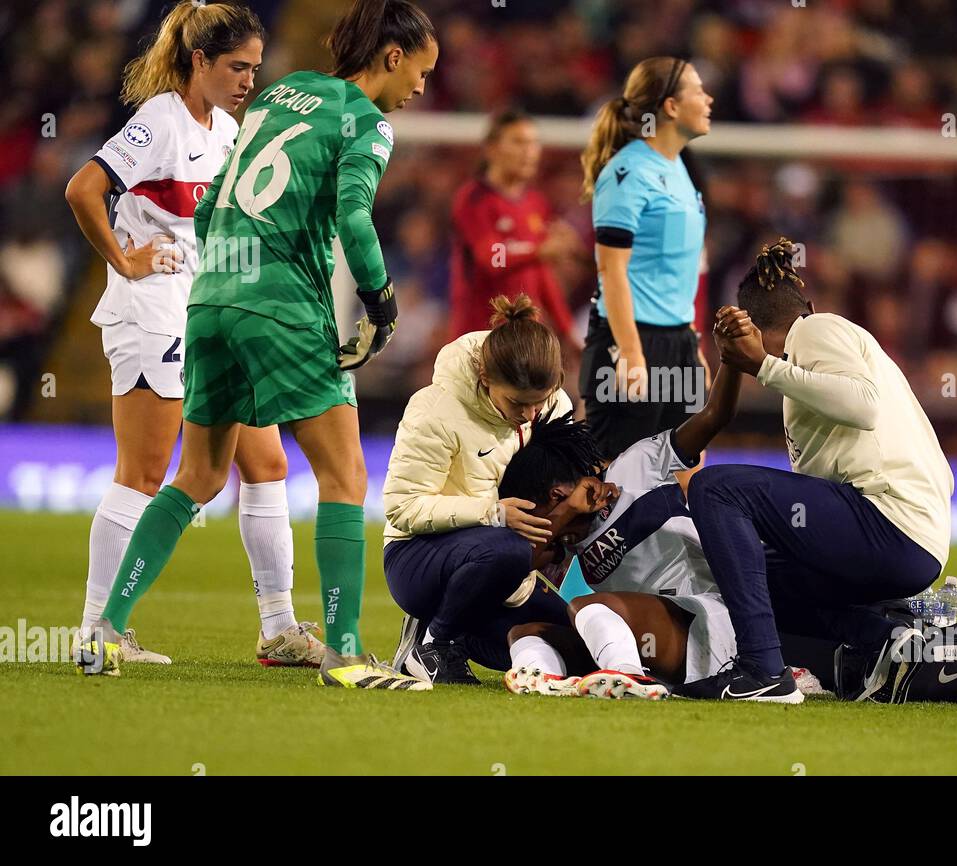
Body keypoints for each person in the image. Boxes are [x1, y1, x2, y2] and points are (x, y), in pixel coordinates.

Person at [76, 0, 441, 692]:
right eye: (421, 72)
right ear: (393, 59)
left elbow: (212, 204)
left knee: (200, 476)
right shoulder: (365, 123)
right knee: (344, 476)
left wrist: (226, 276)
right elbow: (353, 215)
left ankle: (103, 631)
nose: (421, 88)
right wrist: (381, 303)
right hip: (281, 309)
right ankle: (346, 653)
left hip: (208, 302)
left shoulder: (280, 95)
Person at [64, 0, 321, 668]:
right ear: (198, 60)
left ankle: (278, 627)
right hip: (151, 311)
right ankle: (97, 630)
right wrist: (125, 260)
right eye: (237, 66)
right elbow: (82, 190)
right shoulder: (159, 122)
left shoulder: (229, 131)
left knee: (267, 464)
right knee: (145, 473)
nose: (248, 80)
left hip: (211, 317)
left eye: (256, 68)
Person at [670, 238, 954, 703]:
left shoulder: (817, 330)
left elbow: (862, 407)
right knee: (742, 572)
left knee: (715, 488)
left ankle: (762, 669)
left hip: (891, 525)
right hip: (911, 544)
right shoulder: (807, 373)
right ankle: (886, 640)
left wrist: (761, 365)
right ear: (806, 300)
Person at [495, 360, 744, 700]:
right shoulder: (567, 539)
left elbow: (715, 415)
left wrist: (730, 360)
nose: (535, 525)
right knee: (525, 632)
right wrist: (566, 512)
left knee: (589, 606)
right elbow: (514, 565)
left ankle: (628, 679)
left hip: (709, 623)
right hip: (652, 642)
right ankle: (540, 680)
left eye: (535, 512)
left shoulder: (635, 468)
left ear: (553, 493)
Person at [385, 295, 575, 685]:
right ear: (485, 378)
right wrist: (493, 512)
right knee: (508, 547)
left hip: (511, 571)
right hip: (417, 558)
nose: (529, 415)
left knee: (578, 645)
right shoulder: (435, 410)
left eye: (539, 403)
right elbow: (403, 508)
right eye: (518, 403)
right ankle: (433, 646)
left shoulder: (554, 406)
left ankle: (448, 631)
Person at [579, 57, 712, 461]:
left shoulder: (678, 168)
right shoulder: (628, 173)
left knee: (688, 471)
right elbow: (612, 270)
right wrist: (632, 354)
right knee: (614, 480)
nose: (708, 99)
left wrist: (692, 344)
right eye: (698, 91)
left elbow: (671, 271)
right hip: (631, 340)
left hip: (678, 341)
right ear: (670, 107)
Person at [449, 110, 581, 354]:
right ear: (492, 149)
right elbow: (492, 259)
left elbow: (542, 275)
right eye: (519, 142)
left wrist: (568, 331)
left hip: (527, 339)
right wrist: (540, 251)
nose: (529, 152)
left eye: (533, 143)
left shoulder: (536, 203)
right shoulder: (474, 199)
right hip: (481, 337)